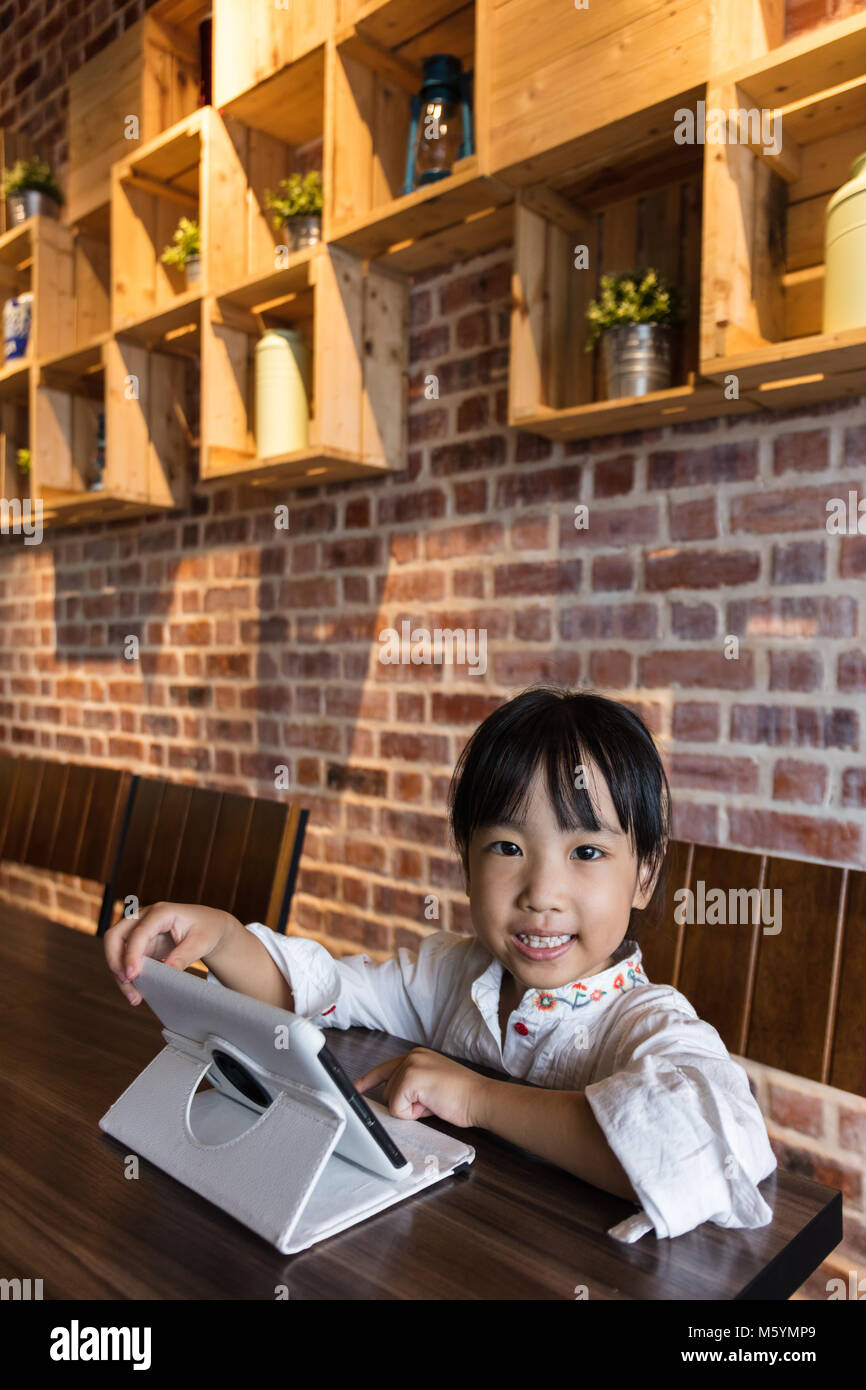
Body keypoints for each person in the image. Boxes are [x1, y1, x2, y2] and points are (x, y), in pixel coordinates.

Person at [104, 685, 777, 1242]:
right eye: (508, 847)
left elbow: (688, 1144)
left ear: (645, 876)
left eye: (588, 853)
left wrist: (475, 1096)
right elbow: (319, 989)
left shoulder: (646, 1023)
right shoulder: (455, 975)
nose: (541, 893)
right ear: (464, 859)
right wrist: (220, 939)